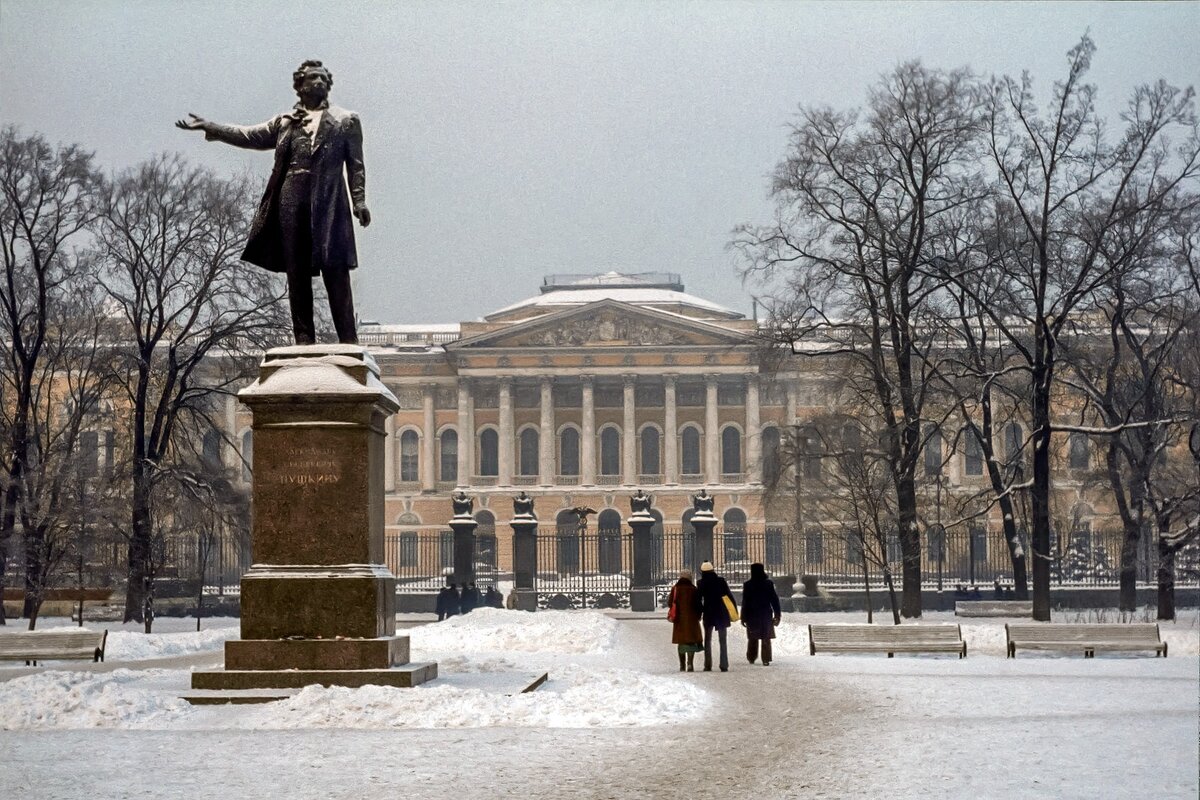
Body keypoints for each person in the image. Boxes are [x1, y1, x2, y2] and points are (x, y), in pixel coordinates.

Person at [176, 60, 370, 345]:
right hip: (291, 202)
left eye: (323, 78)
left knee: (336, 270)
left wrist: (359, 201)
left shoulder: (346, 121)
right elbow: (249, 135)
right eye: (312, 78)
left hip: (330, 203)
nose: (318, 82)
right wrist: (212, 128)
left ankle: (349, 342)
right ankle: (304, 340)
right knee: (297, 273)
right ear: (300, 85)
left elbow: (355, 165)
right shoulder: (285, 123)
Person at [697, 561, 737, 672]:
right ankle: (724, 664)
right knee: (723, 640)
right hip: (721, 612)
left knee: (707, 639)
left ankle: (707, 665)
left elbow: (698, 600)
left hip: (708, 612)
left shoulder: (701, 583)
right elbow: (729, 595)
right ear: (712, 570)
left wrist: (699, 613)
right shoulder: (721, 581)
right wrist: (733, 610)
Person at [741, 562, 782, 666]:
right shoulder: (768, 583)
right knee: (765, 637)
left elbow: (745, 602)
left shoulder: (748, 584)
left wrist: (743, 617)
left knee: (752, 637)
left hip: (752, 614)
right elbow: (774, 600)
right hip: (765, 614)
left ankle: (751, 657)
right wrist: (777, 614)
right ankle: (766, 658)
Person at [668, 569, 703, 672]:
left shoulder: (675, 589)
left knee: (681, 642)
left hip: (679, 619)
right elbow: (698, 605)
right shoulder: (693, 589)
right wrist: (698, 615)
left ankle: (682, 665)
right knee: (691, 642)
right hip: (692, 620)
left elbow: (670, 602)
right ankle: (690, 664)